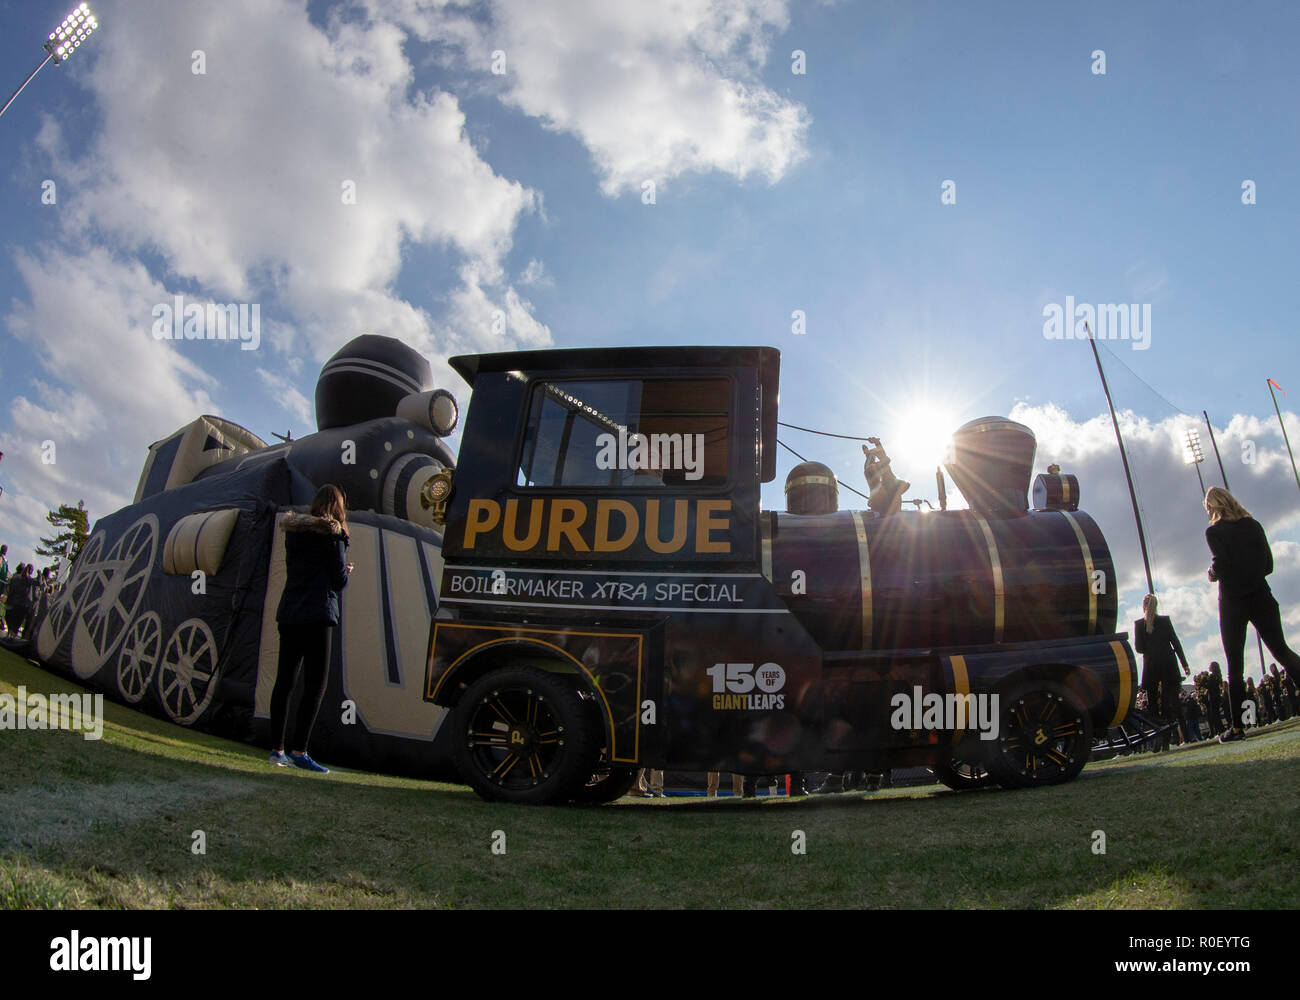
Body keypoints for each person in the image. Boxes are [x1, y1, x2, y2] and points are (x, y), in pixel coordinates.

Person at [1203, 487, 1300, 742]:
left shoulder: (1214, 532)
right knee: (1282, 652)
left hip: (1233, 602)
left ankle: (1237, 728)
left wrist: (1213, 573)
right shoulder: (1254, 525)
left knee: (1234, 666)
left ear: (1213, 507)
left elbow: (1221, 563)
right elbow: (1269, 565)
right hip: (1261, 595)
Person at [269, 485, 352, 773]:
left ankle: (275, 748)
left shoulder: (294, 533)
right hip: (318, 614)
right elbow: (338, 581)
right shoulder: (333, 537)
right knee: (315, 685)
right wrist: (346, 569)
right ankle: (299, 750)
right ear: (339, 508)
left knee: (284, 683)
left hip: (290, 612)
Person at [1133, 594, 1190, 750]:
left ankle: (1157, 736)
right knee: (1167, 703)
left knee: (1152, 706)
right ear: (1156, 605)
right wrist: (1184, 664)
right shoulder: (1165, 621)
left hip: (1151, 666)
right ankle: (1166, 739)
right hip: (1168, 665)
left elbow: (1139, 648)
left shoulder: (1139, 625)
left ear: (1143, 606)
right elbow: (1175, 642)